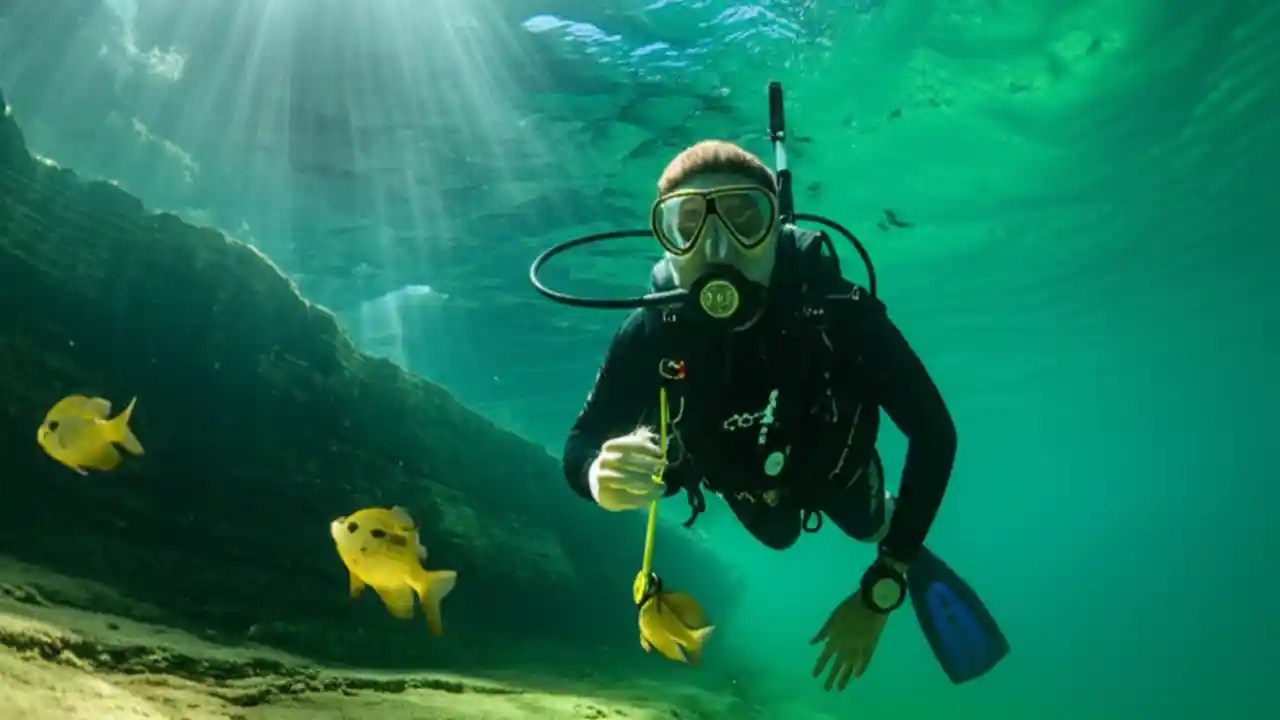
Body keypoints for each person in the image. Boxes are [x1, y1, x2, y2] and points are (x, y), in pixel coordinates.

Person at [561, 139, 1008, 690]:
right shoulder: (652, 334)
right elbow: (581, 442)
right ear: (666, 244)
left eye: (746, 218)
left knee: (871, 525)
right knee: (778, 537)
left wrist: (884, 583)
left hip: (837, 473)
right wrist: (595, 475)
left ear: (775, 230)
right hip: (744, 488)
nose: (719, 247)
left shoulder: (840, 315)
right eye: (688, 224)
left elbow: (935, 433)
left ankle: (895, 533)